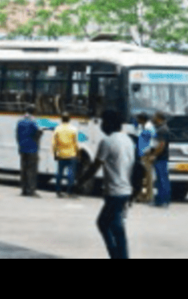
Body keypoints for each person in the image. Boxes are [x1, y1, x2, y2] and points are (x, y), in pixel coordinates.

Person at [77, 110, 136, 260]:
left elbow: (95, 166)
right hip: (126, 190)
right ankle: (119, 255)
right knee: (112, 225)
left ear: (109, 123)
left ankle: (118, 256)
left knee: (108, 225)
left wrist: (81, 180)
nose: (101, 125)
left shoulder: (107, 142)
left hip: (115, 191)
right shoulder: (128, 140)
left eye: (103, 122)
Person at [17, 107, 44, 197]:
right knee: (31, 170)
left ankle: (24, 189)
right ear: (34, 112)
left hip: (22, 148)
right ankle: (31, 190)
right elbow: (37, 133)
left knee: (23, 169)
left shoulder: (20, 121)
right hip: (32, 149)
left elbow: (17, 135)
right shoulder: (33, 122)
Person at [148, 112, 172, 209]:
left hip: (161, 158)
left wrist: (154, 155)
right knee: (161, 179)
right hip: (162, 158)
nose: (152, 118)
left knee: (162, 180)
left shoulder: (162, 130)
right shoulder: (162, 128)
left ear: (159, 118)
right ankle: (162, 200)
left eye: (154, 117)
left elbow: (161, 145)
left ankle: (162, 200)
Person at [52, 113, 79, 198]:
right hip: (71, 154)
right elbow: (76, 143)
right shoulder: (73, 129)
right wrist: (78, 153)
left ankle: (58, 191)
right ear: (69, 119)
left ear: (61, 119)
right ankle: (69, 191)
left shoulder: (57, 129)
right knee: (70, 173)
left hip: (61, 154)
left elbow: (54, 143)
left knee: (59, 173)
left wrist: (55, 153)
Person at [134, 113, 156, 203]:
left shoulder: (149, 128)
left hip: (146, 154)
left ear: (142, 119)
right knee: (140, 176)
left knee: (148, 176)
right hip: (140, 154)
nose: (137, 121)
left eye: (138, 119)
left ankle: (149, 196)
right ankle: (141, 195)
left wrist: (150, 153)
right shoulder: (141, 126)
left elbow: (153, 141)